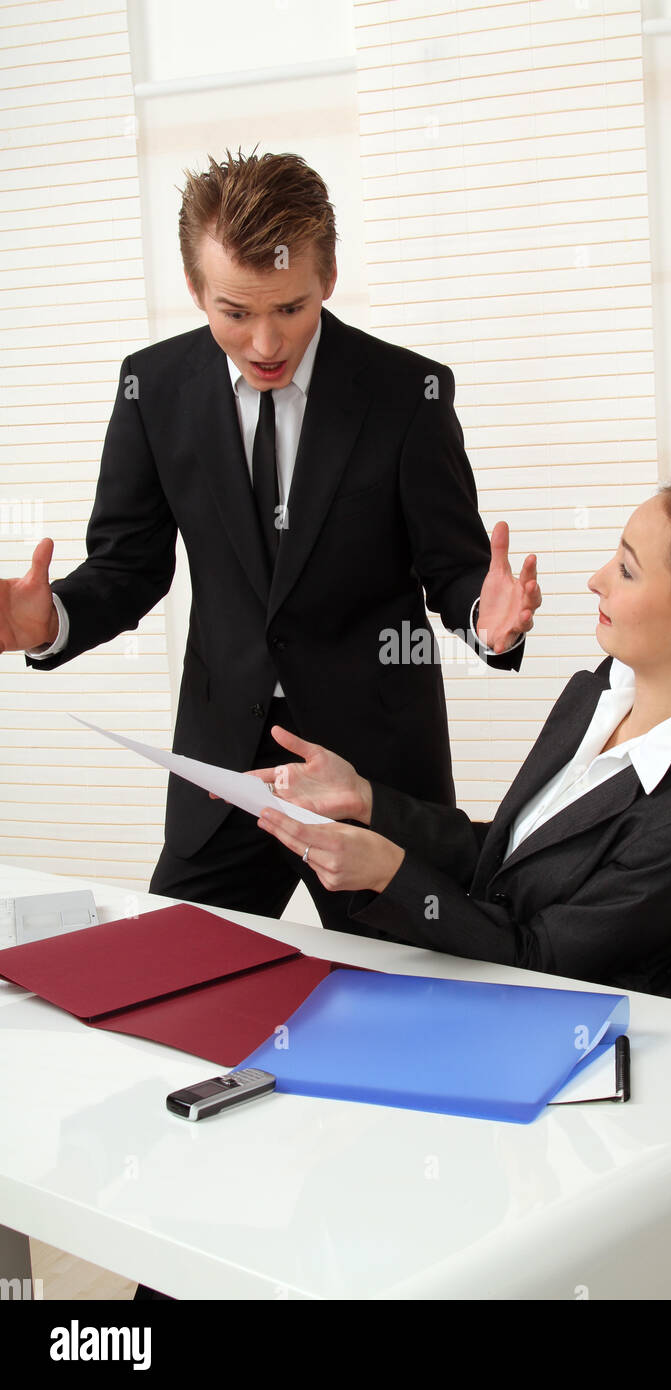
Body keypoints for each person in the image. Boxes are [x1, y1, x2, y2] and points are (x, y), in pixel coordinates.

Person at [0, 150, 541, 929]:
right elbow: (129, 566)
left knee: (409, 997)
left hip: (374, 770)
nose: (264, 343)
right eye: (234, 312)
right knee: (178, 974)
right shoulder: (152, 388)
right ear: (195, 290)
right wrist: (50, 619)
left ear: (325, 276)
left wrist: (482, 623)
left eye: (289, 308)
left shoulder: (406, 392)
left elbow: (455, 570)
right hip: (224, 767)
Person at [251, 468, 671, 1000]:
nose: (597, 580)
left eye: (626, 569)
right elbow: (509, 859)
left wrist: (391, 874)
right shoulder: (596, 695)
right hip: (479, 1000)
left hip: (576, 1057)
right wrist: (367, 799)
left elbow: (538, 964)